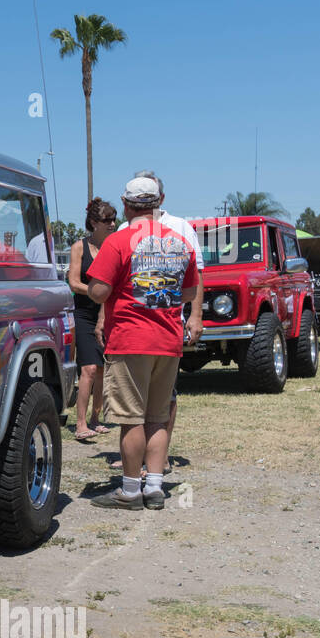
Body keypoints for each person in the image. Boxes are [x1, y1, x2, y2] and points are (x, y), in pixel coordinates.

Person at [86, 176, 199, 510]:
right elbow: (190, 292)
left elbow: (99, 291)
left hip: (130, 339)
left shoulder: (118, 242)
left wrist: (96, 288)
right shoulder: (179, 241)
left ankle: (131, 490)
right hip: (168, 340)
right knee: (158, 417)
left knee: (131, 419)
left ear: (125, 205)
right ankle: (155, 487)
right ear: (158, 202)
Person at [118, 170, 205, 473]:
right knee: (150, 408)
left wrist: (195, 315)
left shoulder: (180, 227)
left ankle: (154, 463)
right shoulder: (124, 230)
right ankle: (149, 471)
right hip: (154, 332)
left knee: (156, 403)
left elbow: (197, 276)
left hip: (147, 332)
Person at [67, 198, 118, 439]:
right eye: (108, 220)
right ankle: (80, 424)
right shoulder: (80, 247)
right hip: (85, 314)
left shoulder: (115, 246)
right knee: (86, 369)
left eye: (114, 219)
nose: (113, 224)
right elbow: (73, 282)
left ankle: (96, 419)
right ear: (94, 223)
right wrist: (95, 292)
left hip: (109, 312)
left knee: (100, 370)